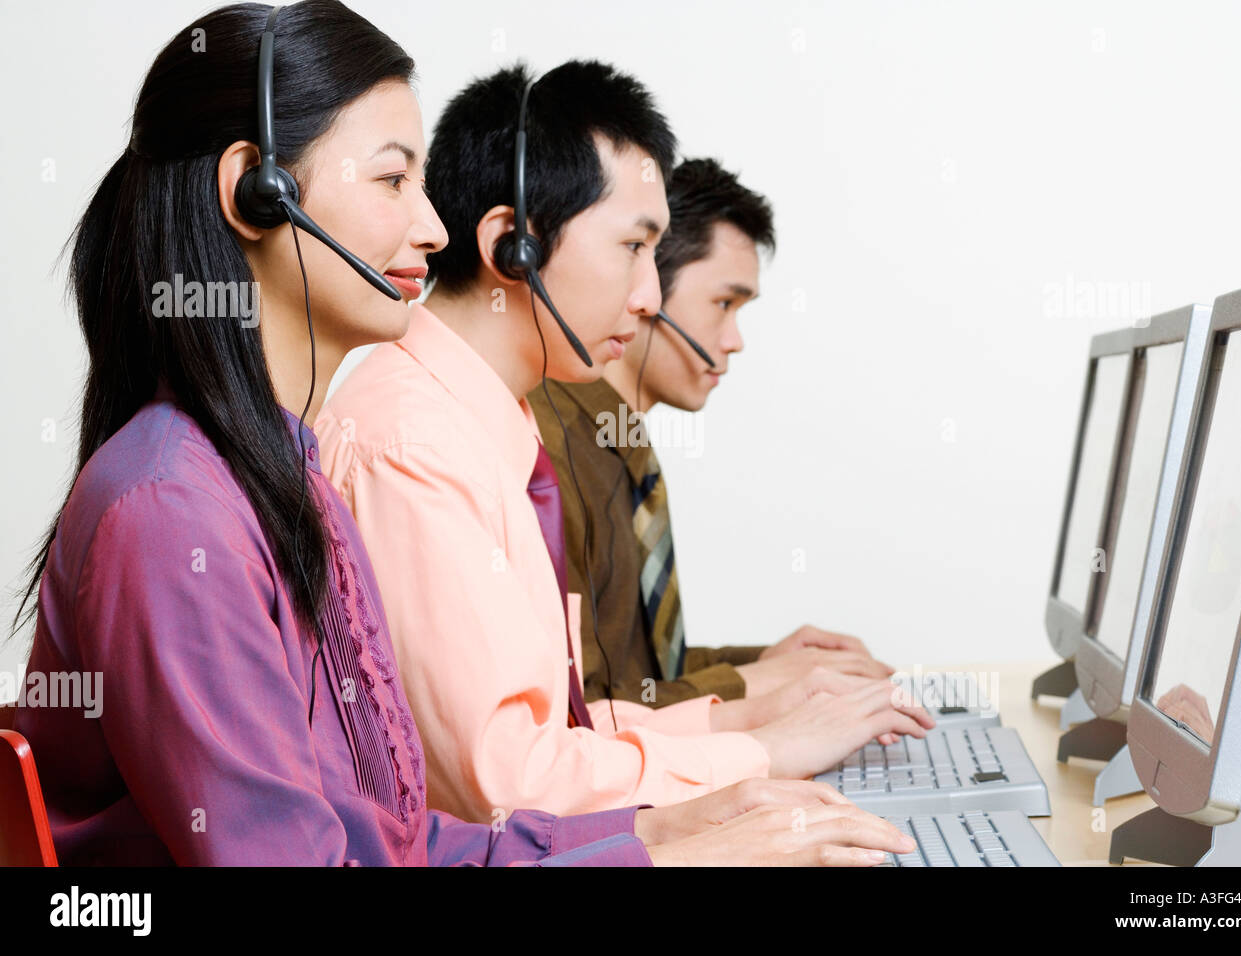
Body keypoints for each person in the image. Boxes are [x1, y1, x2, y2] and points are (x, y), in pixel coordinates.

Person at [7, 1, 917, 867]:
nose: (432, 226)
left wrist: (672, 833)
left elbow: (396, 841)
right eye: (393, 179)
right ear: (259, 192)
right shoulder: (174, 511)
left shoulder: (284, 477)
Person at [315, 60, 933, 824]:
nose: (647, 298)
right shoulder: (411, 448)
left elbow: (564, 728)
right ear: (514, 247)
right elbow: (508, 789)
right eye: (632, 248)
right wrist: (762, 755)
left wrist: (756, 723)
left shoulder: (484, 426)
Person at [528, 158, 895, 717]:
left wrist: (769, 661)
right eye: (723, 303)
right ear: (647, 288)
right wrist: (762, 683)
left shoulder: (618, 443)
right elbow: (588, 716)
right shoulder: (553, 452)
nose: (736, 340)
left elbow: (643, 677)